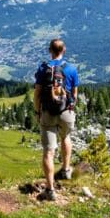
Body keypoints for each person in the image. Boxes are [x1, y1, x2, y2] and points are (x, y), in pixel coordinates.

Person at [32, 38, 80, 201]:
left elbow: (37, 93)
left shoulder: (43, 68)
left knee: (48, 151)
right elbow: (74, 94)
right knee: (66, 137)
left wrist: (37, 111)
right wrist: (70, 107)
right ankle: (66, 170)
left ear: (49, 50)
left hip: (48, 113)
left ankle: (50, 190)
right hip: (66, 111)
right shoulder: (71, 69)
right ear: (64, 50)